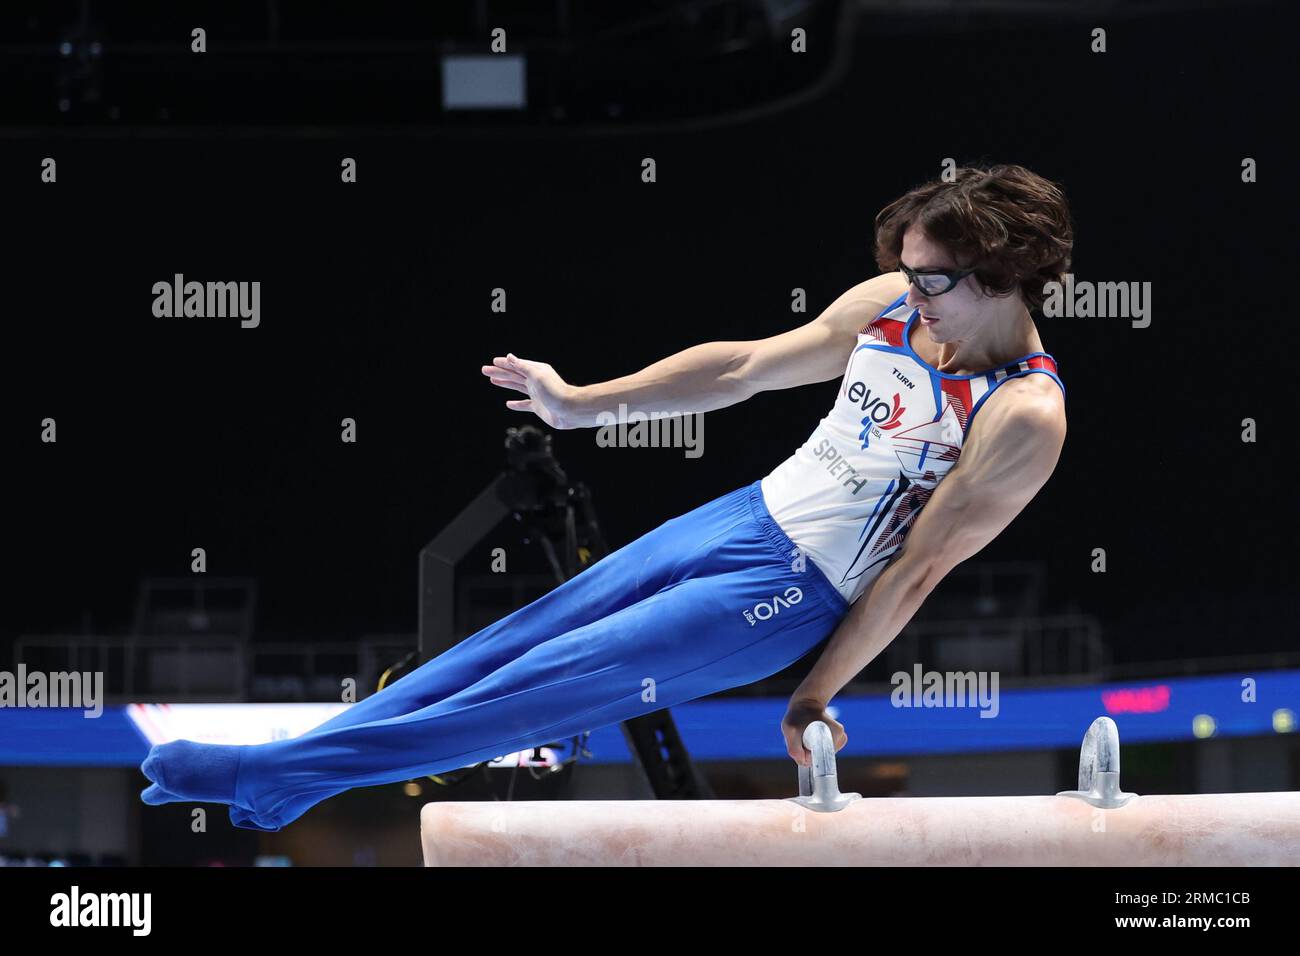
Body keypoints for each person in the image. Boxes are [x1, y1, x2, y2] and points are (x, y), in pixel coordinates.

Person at [139, 164, 1070, 831]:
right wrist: (585, 405)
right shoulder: (893, 307)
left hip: (788, 595)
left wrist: (812, 693)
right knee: (502, 646)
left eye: (933, 278)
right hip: (740, 515)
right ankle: (291, 776)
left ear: (1008, 273)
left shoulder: (1022, 416)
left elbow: (915, 574)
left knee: (533, 691)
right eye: (907, 271)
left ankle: (274, 776)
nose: (913, 291)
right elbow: (744, 367)